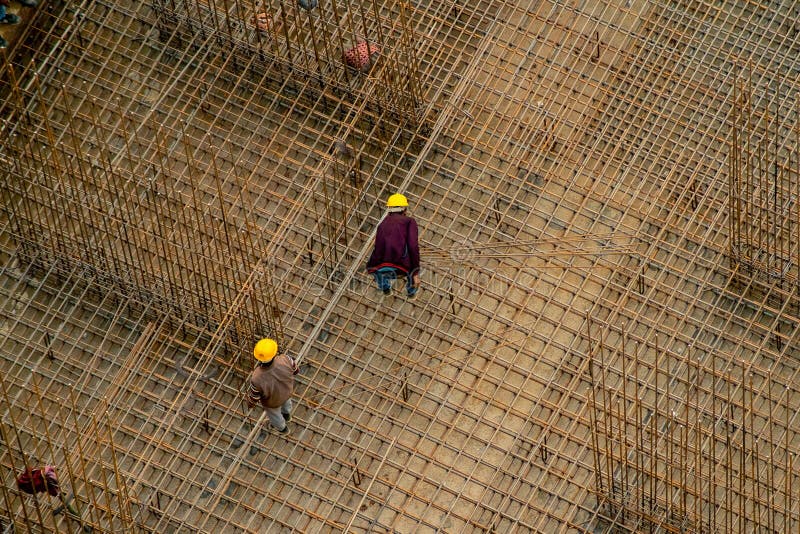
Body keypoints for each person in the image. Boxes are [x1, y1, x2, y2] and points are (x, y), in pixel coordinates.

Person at [366, 193, 420, 299]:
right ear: (404, 209)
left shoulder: (382, 224)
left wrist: (371, 265)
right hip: (402, 266)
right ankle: (411, 291)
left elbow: (378, 247)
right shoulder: (409, 221)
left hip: (382, 266)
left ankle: (385, 287)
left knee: (374, 268)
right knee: (412, 259)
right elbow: (413, 246)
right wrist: (416, 272)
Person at [245, 338, 297, 434]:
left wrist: (250, 404)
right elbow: (295, 370)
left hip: (272, 402)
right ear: (274, 352)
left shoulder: (256, 378)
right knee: (287, 404)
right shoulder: (286, 359)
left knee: (275, 416)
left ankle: (283, 429)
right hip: (287, 392)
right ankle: (287, 416)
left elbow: (254, 396)